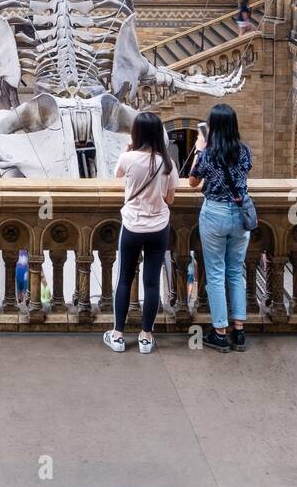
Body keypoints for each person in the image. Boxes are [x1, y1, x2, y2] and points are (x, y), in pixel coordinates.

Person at [104, 110, 180, 355]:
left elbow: (117, 176)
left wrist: (128, 150)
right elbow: (170, 199)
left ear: (136, 133)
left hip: (132, 226)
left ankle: (117, 334)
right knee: (151, 282)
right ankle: (146, 337)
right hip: (158, 228)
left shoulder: (128, 159)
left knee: (124, 279)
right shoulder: (168, 163)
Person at [189, 103, 253, 353]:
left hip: (215, 213)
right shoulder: (244, 151)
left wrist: (199, 149)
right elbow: (244, 171)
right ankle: (239, 332)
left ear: (212, 127)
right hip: (240, 214)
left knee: (215, 273)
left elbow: (193, 182)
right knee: (236, 272)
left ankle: (219, 332)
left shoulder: (208, 154)